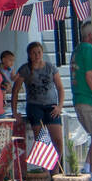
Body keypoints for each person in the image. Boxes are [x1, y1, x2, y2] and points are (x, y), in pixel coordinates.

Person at [10, 41, 64, 173]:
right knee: (40, 139)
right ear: (29, 54)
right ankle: (44, 170)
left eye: (39, 52)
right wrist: (15, 111)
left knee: (57, 139)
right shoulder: (25, 69)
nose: (37, 55)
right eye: (33, 53)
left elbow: (60, 88)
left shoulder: (50, 67)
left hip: (51, 106)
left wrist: (59, 106)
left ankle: (55, 168)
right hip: (35, 106)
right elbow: (15, 90)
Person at [71, 23, 92, 181]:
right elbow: (89, 75)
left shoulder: (77, 50)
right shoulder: (88, 49)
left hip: (79, 98)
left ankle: (88, 168)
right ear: (90, 36)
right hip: (89, 99)